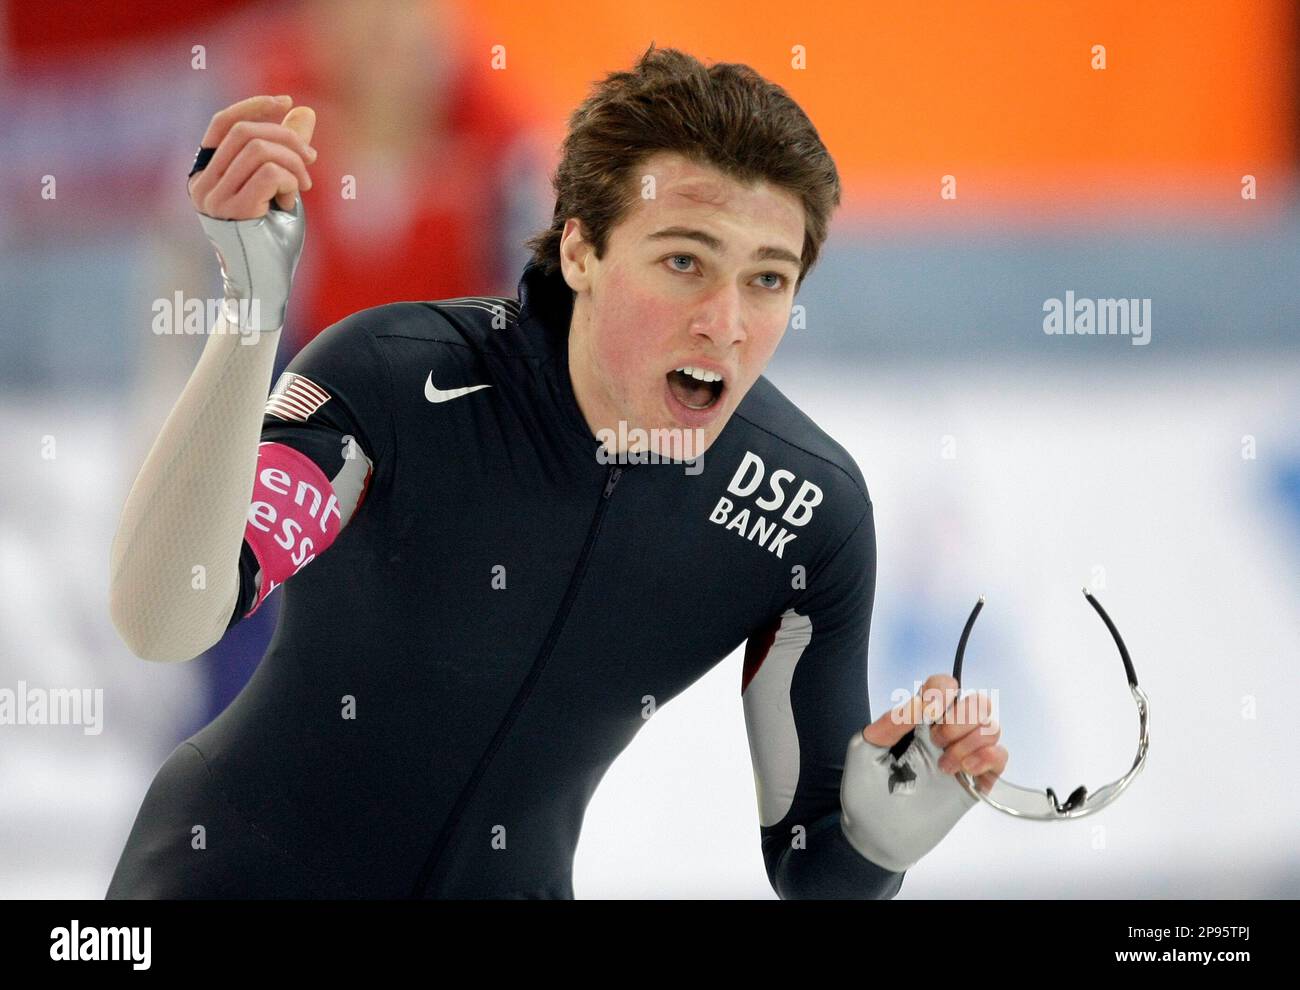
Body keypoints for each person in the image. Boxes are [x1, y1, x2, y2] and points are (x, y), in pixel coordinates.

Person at [106, 45, 1008, 899]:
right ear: (579, 250)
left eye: (768, 280)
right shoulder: (392, 381)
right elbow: (168, 614)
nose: (725, 323)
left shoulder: (808, 509)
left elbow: (813, 869)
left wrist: (880, 842)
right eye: (684, 261)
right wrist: (252, 317)